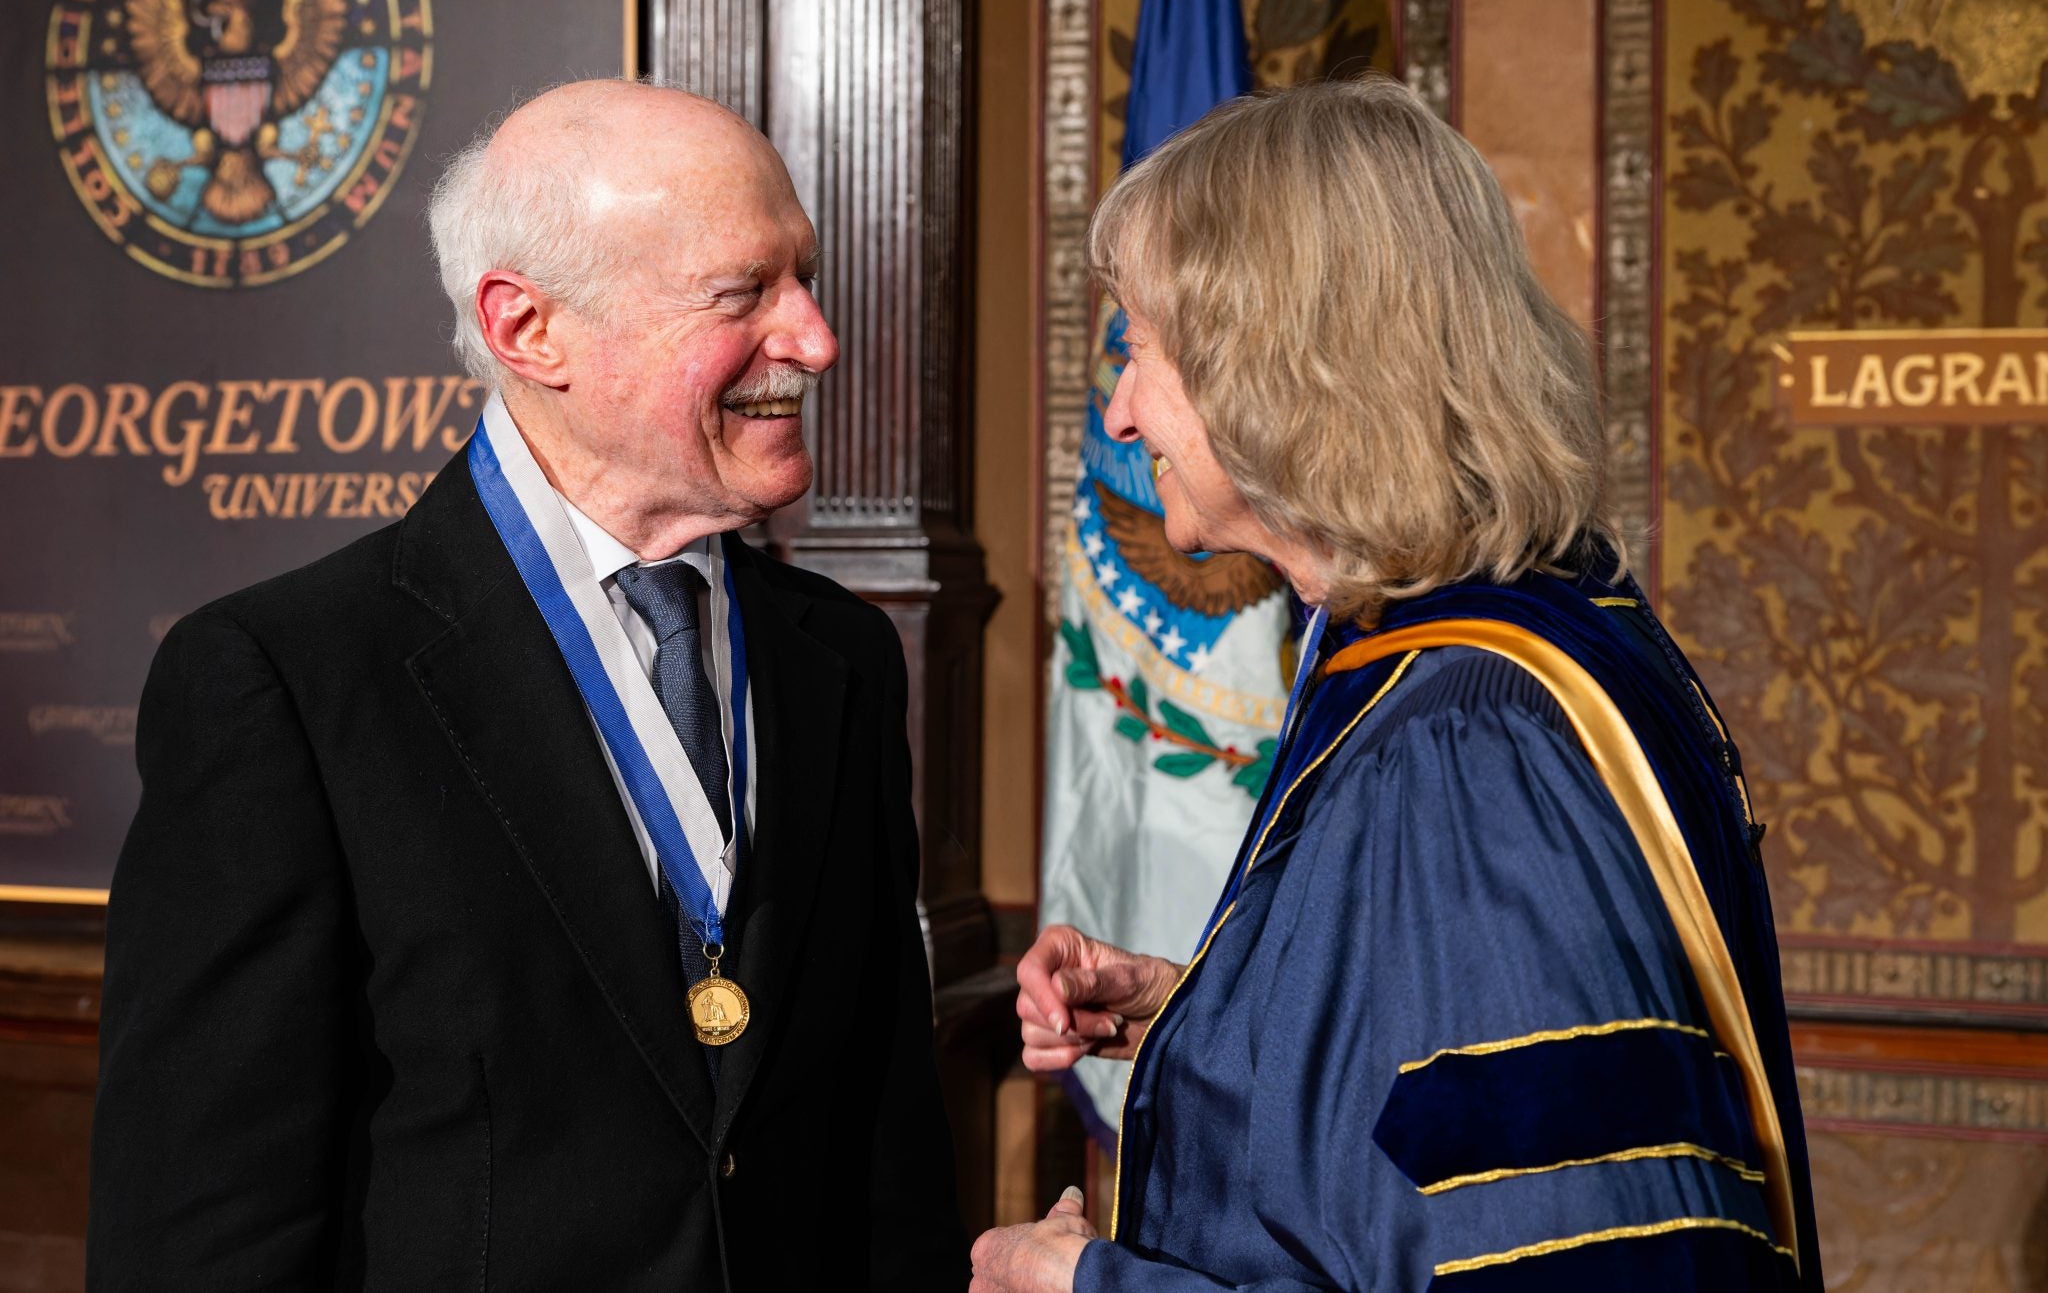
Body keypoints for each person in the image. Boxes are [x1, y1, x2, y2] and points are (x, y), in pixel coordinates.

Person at [89, 80, 966, 1291]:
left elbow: (886, 1140)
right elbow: (201, 1226)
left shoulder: (842, 663)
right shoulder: (285, 682)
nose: (812, 338)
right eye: (743, 293)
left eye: (802, 278)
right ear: (528, 329)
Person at [972, 75, 1822, 1292]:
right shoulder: (1508, 645)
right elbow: (1443, 1117)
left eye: (1141, 351)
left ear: (1270, 370)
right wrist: (1218, 1023)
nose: (1117, 413)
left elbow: (1571, 1272)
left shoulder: (1469, 744)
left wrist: (1079, 1286)